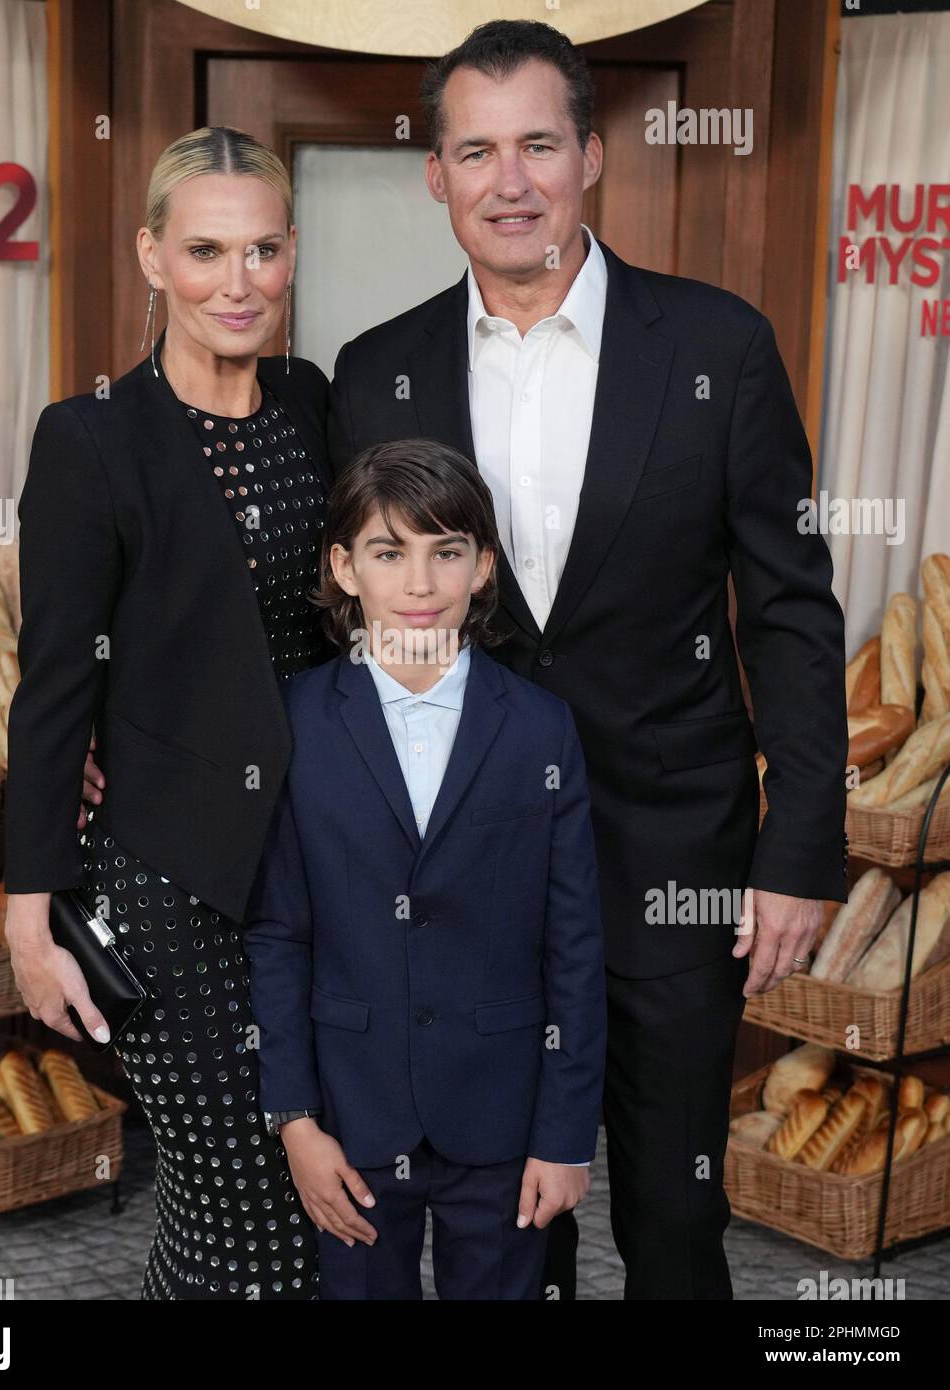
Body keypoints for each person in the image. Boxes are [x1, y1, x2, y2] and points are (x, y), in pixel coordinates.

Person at [326, 20, 849, 1299]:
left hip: (673, 868)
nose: (510, 182)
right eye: (476, 150)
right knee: (513, 1230)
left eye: (539, 145)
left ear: (592, 157)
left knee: (673, 1223)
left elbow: (788, 610)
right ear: (436, 176)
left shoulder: (717, 347)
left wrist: (797, 854)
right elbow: (335, 625)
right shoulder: (374, 371)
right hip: (465, 877)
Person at [2, 126, 335, 1300]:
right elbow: (54, 683)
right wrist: (30, 910)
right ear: (151, 257)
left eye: (260, 251)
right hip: (167, 879)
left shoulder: (311, 405)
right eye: (204, 250)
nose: (235, 283)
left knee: (307, 1207)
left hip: (315, 867)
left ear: (291, 253)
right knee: (234, 1207)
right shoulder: (90, 437)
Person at [242, 438, 607, 1300]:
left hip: (505, 1117)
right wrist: (295, 1123)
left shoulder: (540, 727)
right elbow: (278, 933)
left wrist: (564, 1137)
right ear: (342, 567)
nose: (418, 585)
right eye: (387, 552)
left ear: (483, 567)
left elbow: (574, 945)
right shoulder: (292, 724)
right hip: (352, 1117)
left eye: (446, 553)